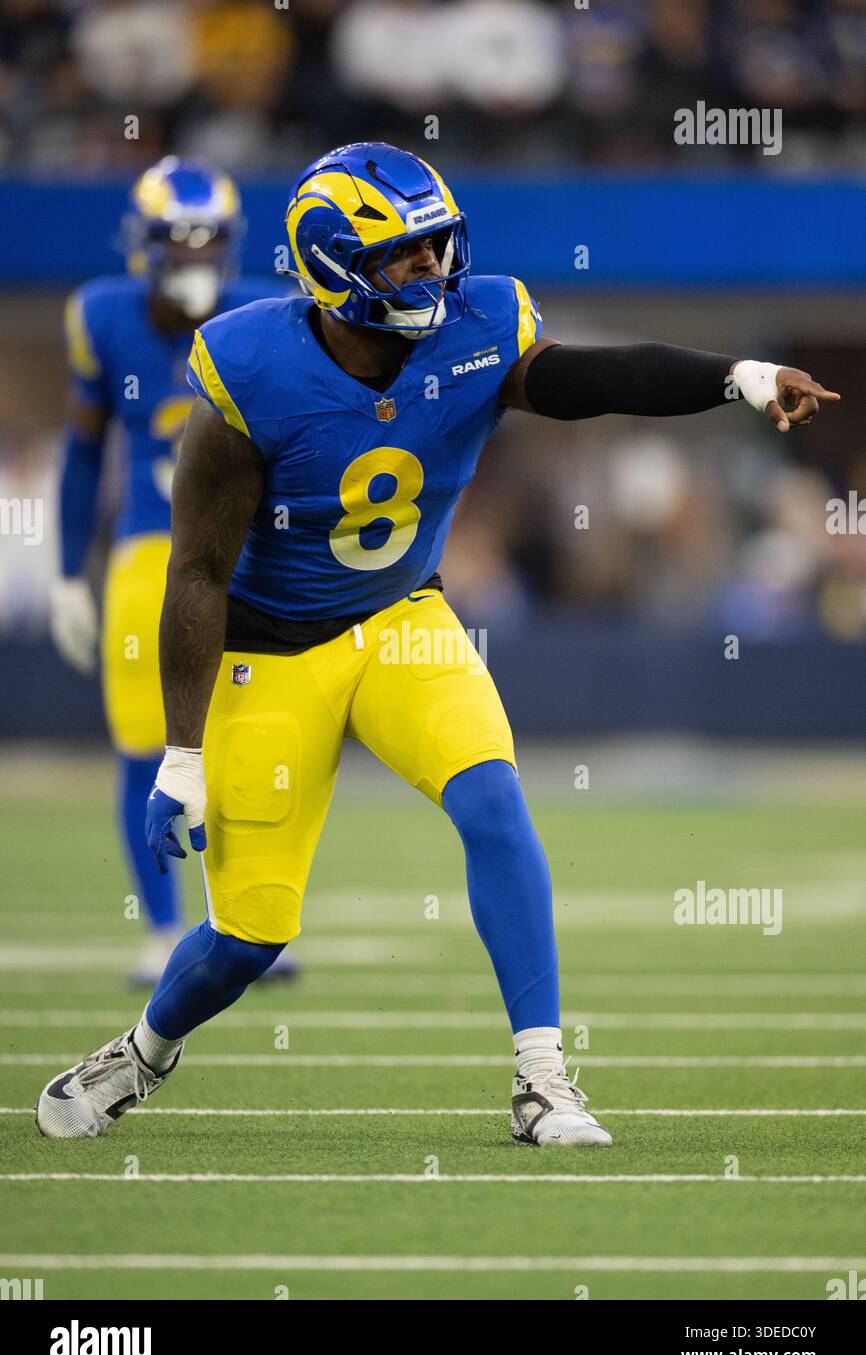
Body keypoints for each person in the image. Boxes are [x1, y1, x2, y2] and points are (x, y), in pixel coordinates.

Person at [38, 142, 839, 1145]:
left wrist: (739, 375)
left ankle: (541, 1078)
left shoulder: (476, 325)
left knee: (491, 798)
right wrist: (184, 751)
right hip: (266, 654)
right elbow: (193, 573)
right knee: (250, 935)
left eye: (437, 248)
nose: (433, 272)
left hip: (398, 621)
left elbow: (587, 377)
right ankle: (143, 1051)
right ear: (331, 268)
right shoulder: (248, 371)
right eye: (404, 257)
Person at [49, 155, 298, 987]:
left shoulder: (267, 314)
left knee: (243, 743)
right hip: (150, 546)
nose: (193, 260)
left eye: (207, 243)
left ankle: (242, 925)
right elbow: (84, 448)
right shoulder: (101, 315)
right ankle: (161, 930)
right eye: (177, 243)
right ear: (145, 243)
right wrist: (63, 572)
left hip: (244, 548)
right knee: (144, 746)